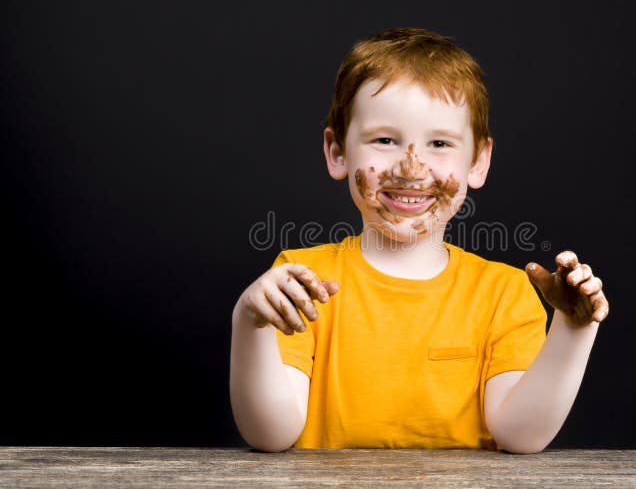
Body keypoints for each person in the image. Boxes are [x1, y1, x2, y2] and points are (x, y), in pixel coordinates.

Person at [229, 28, 610, 453]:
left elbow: (520, 436)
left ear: (478, 162)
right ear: (337, 151)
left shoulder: (504, 293)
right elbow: (270, 435)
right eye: (385, 140)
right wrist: (250, 324)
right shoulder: (300, 280)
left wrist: (574, 330)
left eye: (440, 143)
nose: (411, 168)